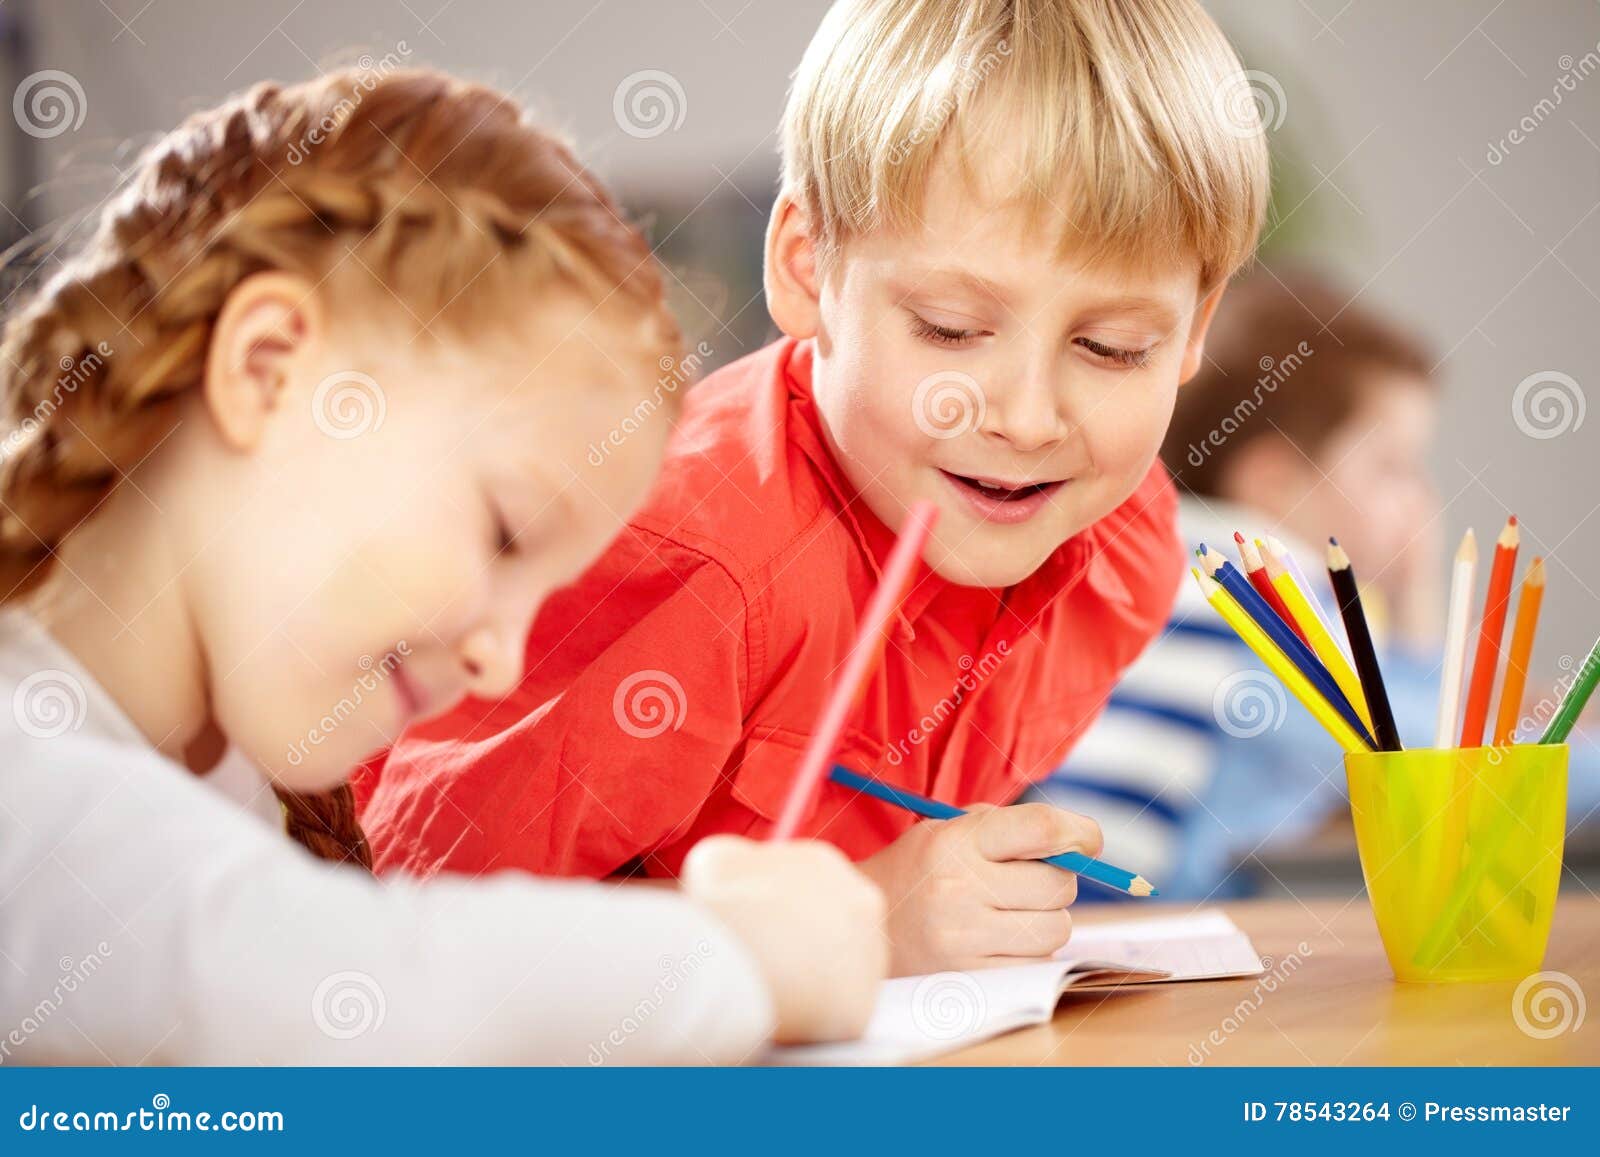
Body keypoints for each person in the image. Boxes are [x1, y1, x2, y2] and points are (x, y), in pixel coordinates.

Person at [361, 0, 1270, 976]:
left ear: (1192, 329)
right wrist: (866, 916)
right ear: (807, 268)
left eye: (1111, 347)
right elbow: (405, 934)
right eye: (951, 327)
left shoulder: (1110, 544)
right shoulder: (693, 566)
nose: (1027, 415)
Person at [0, 68, 885, 1065]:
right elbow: (326, 983)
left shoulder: (223, 783)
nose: (500, 662)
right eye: (505, 532)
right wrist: (740, 958)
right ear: (267, 369)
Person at [1029, 268, 1600, 898]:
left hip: (1091, 904)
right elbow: (1457, 769)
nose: (1425, 503)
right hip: (1141, 923)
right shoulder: (1262, 593)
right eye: (1394, 468)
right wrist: (1420, 602)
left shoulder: (1169, 553)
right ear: (1273, 481)